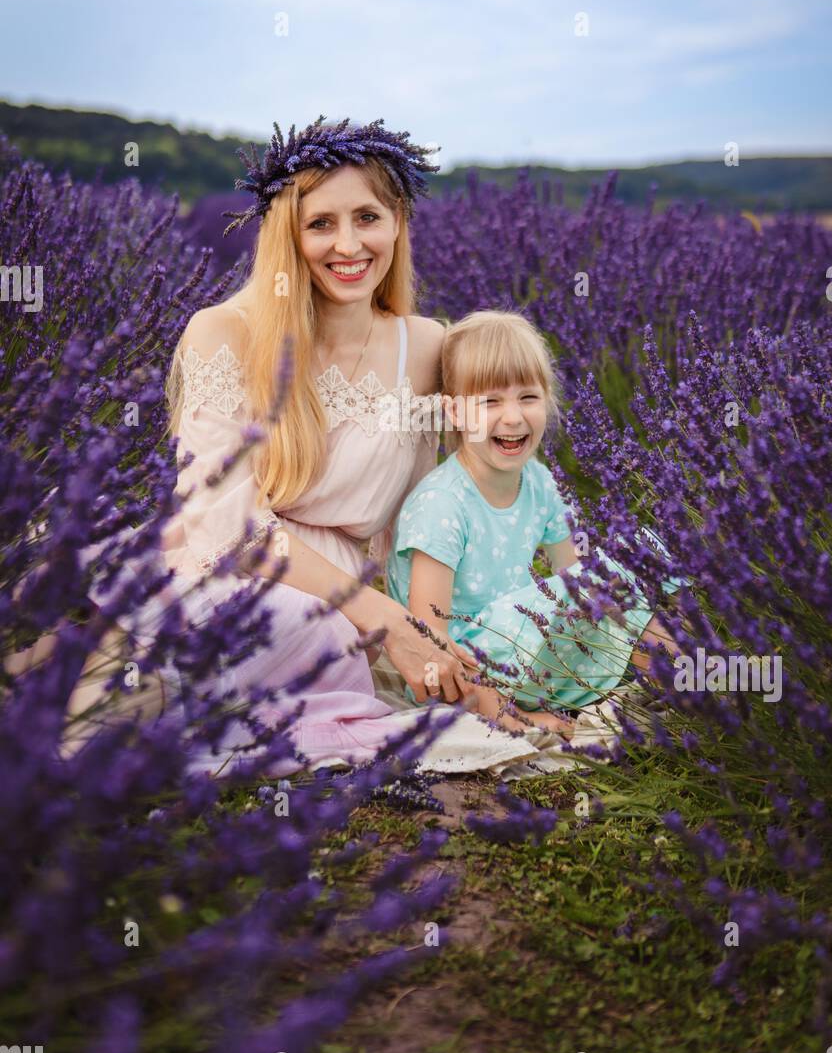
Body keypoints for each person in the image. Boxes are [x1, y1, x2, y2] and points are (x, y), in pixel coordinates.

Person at [77, 119, 582, 776]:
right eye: (321, 224)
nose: (348, 245)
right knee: (266, 624)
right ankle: (86, 732)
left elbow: (454, 503)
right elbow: (226, 529)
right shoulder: (225, 332)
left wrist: (473, 658)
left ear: (398, 222)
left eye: (367, 217)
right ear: (288, 231)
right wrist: (381, 618)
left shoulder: (425, 345)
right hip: (233, 569)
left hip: (358, 605)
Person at [387, 310, 683, 734]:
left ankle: (682, 675)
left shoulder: (540, 481)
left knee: (621, 567)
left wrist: (611, 599)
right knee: (594, 584)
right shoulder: (442, 506)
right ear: (454, 412)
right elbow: (427, 639)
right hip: (465, 668)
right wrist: (507, 713)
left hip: (526, 647)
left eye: (527, 397)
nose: (513, 417)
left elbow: (575, 574)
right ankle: (517, 717)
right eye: (490, 402)